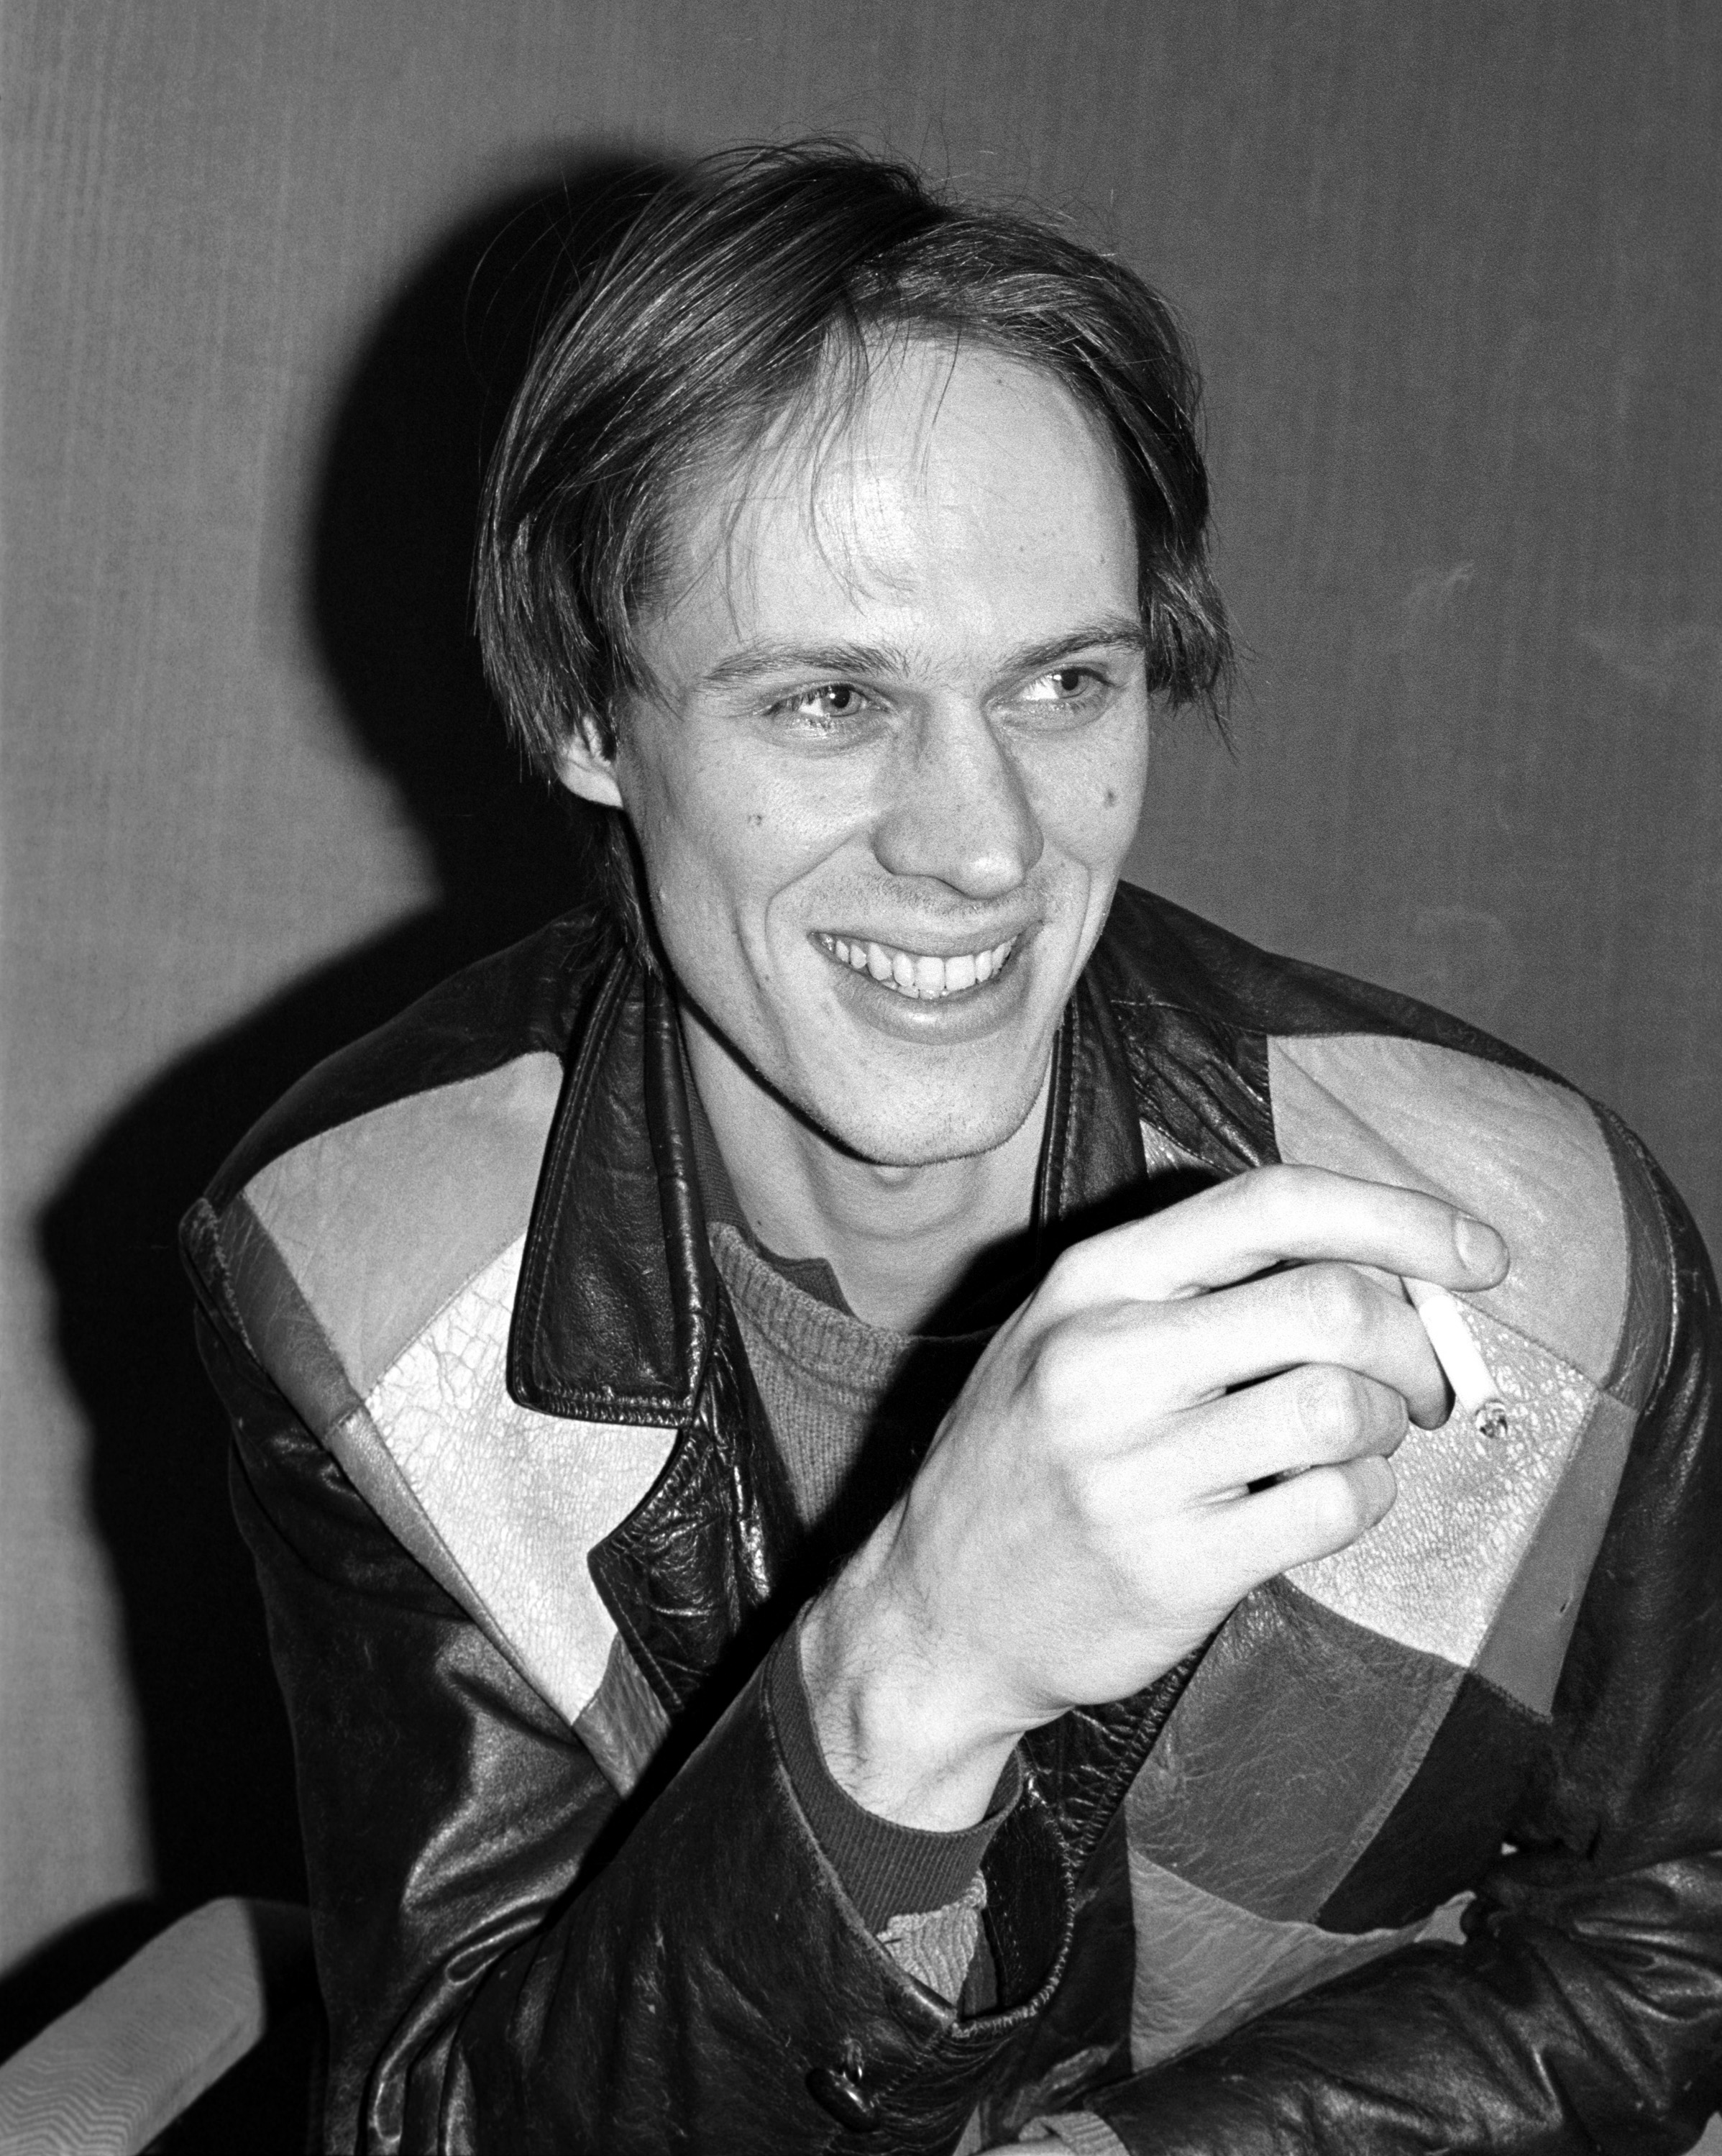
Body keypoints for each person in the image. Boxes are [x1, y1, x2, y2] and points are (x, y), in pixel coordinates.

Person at [183, 145, 1722, 2156]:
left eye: (1063, 684)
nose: (984, 847)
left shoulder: (1533, 1246)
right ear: (585, 710)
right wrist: (915, 1667)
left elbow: (1675, 1942)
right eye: (831, 700)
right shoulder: (366, 1270)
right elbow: (445, 2122)